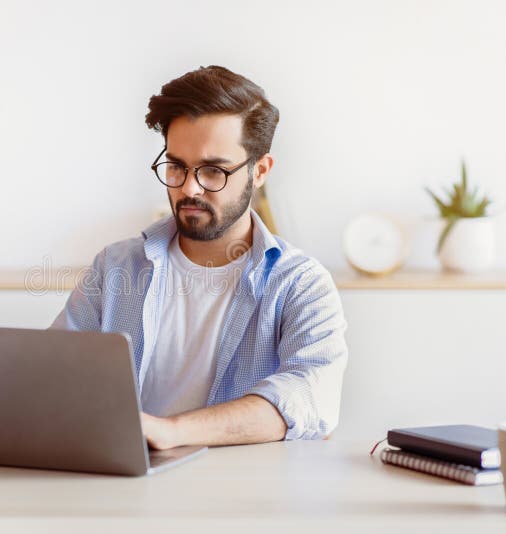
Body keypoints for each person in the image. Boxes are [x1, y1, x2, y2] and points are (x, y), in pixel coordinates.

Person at [51, 65, 348, 450]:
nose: (190, 188)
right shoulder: (116, 268)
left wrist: (171, 432)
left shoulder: (300, 283)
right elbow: (54, 375)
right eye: (176, 167)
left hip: (240, 496)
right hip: (122, 487)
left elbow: (310, 398)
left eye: (213, 170)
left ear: (259, 171)